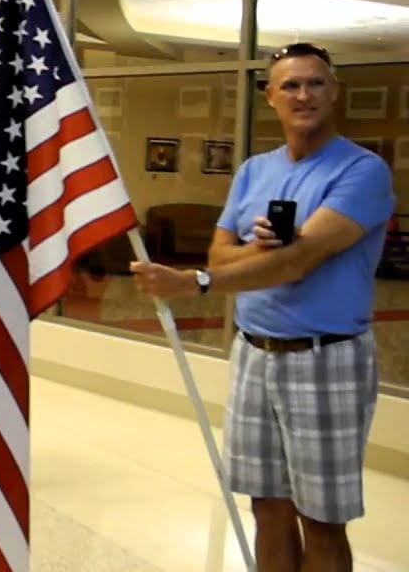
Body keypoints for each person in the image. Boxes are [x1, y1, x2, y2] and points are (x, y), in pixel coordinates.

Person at [131, 43, 395, 572]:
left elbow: (301, 260)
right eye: (291, 86)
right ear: (270, 96)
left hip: (325, 359)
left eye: (316, 83)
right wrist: (264, 253)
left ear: (334, 92)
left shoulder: (362, 172)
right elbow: (225, 250)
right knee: (268, 507)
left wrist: (199, 282)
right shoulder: (254, 170)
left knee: (320, 518)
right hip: (254, 354)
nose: (304, 95)